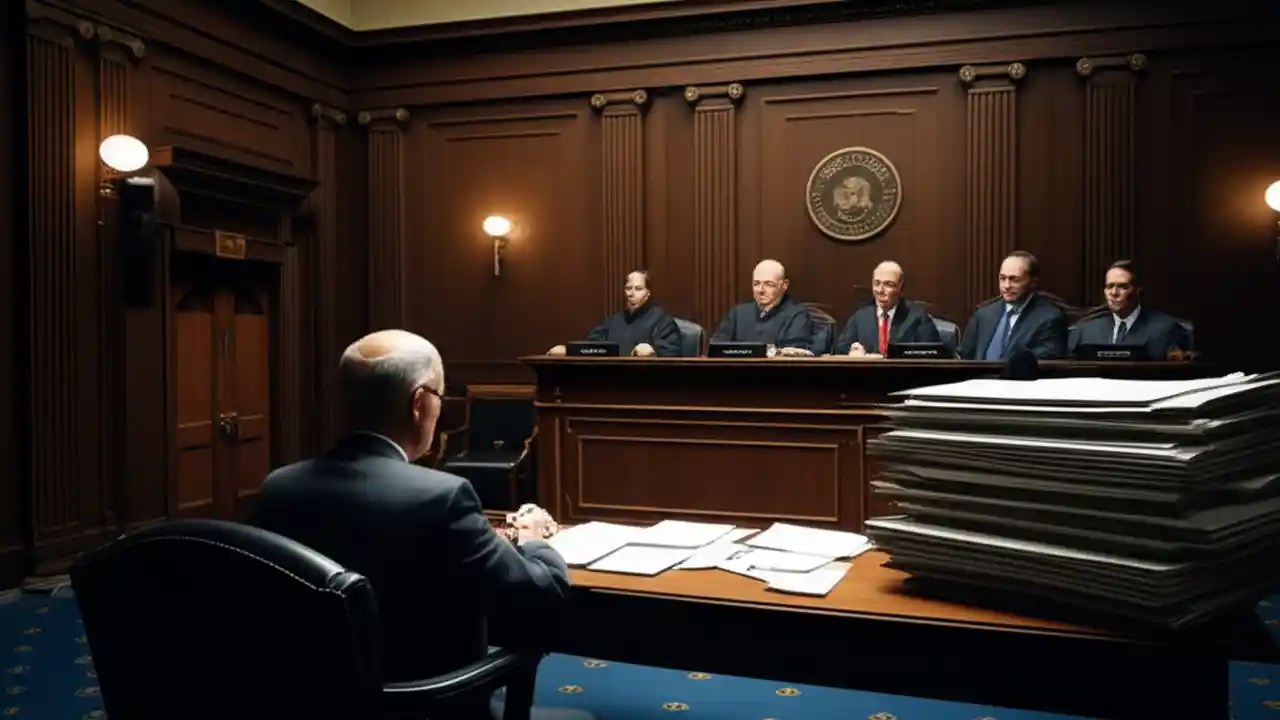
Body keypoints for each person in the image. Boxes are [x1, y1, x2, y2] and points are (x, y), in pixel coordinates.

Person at [249, 330, 568, 717]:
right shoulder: (443, 497)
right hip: (425, 704)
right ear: (419, 403)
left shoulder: (279, 487)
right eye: (440, 397)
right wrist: (534, 541)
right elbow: (537, 596)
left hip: (309, 701)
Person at [958, 250, 1067, 360]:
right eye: (1002, 278)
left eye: (1014, 280)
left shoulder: (1049, 319)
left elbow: (1045, 361)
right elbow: (964, 356)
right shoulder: (984, 314)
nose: (1006, 286)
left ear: (1033, 281)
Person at [1070, 260, 1190, 360]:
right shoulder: (1085, 331)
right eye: (1109, 286)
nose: (1114, 293)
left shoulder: (1164, 329)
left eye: (1123, 287)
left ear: (1137, 291)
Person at [547, 269, 681, 357]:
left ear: (648, 293)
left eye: (638, 289)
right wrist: (568, 351)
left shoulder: (662, 320)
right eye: (628, 288)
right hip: (611, 380)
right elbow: (591, 348)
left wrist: (653, 351)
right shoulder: (612, 321)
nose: (631, 293)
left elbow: (672, 352)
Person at [833, 260, 941, 357]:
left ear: (900, 286)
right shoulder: (860, 317)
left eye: (888, 284)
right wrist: (852, 352)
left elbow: (934, 354)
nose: (880, 290)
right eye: (876, 283)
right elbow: (840, 350)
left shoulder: (917, 317)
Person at [710, 258, 813, 350]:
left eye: (769, 284)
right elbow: (716, 348)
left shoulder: (797, 315)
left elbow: (793, 354)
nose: (761, 290)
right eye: (756, 283)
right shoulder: (739, 313)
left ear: (784, 285)